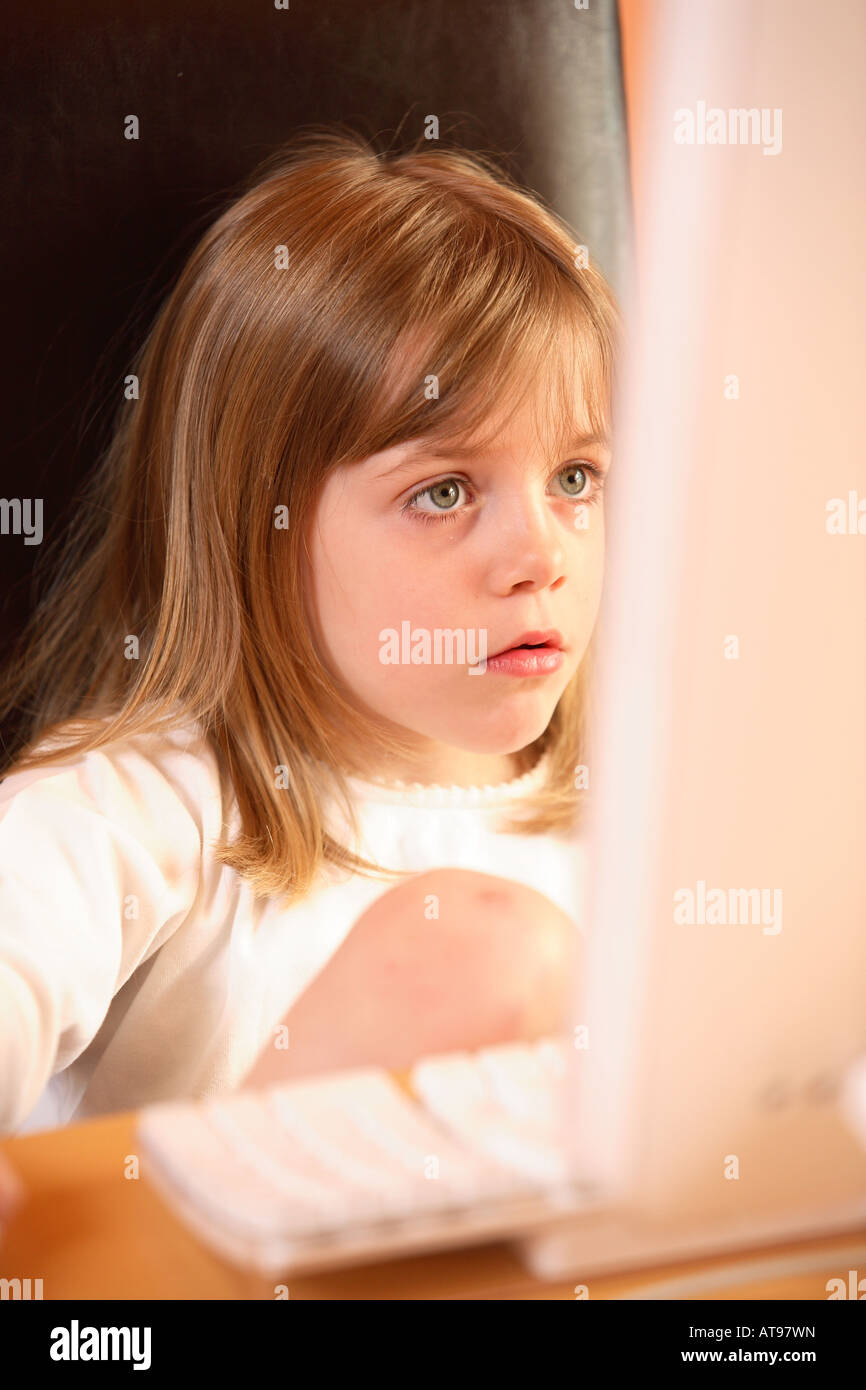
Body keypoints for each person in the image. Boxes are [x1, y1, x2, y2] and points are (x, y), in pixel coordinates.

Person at [0, 127, 619, 1138]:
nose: (540, 554)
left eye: (574, 479)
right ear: (263, 529)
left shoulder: (643, 807)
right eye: (445, 490)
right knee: (488, 954)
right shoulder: (152, 802)